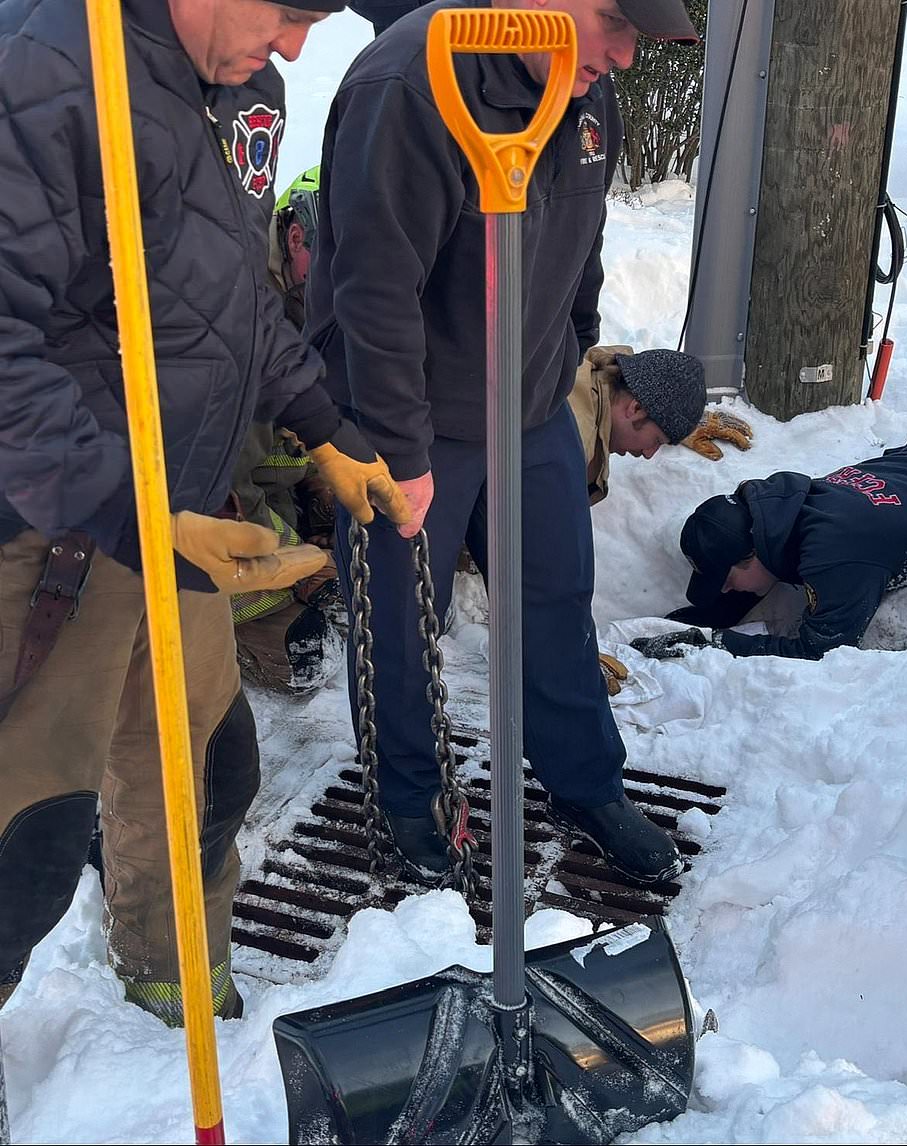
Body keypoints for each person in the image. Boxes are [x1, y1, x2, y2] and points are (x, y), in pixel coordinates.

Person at [0, 0, 408, 1024]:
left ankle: (171, 975)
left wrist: (322, 422)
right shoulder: (48, 77)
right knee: (27, 847)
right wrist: (128, 515)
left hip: (172, 524)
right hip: (53, 533)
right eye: (287, 11)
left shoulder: (238, 87)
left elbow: (229, 299)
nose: (296, 48)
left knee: (211, 775)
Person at [306, 0, 699, 885]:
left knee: (555, 599)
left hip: (526, 406)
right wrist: (401, 454)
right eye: (614, 22)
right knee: (405, 622)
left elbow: (585, 239)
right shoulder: (409, 84)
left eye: (641, 36)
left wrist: (567, 351)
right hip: (408, 416)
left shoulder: (588, 89)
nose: (627, 55)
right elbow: (373, 291)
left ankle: (585, 785)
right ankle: (411, 800)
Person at [645, 427, 907, 660]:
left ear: (753, 554)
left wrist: (716, 645)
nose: (724, 590)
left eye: (725, 580)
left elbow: (820, 651)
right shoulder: (788, 504)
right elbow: (768, 563)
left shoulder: (834, 552)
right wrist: (713, 616)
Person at [231, 165, 342, 694]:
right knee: (304, 657)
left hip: (258, 486)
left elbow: (282, 444)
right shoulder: (240, 308)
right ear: (295, 236)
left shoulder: (303, 290)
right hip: (204, 508)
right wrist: (288, 570)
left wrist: (319, 495)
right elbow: (226, 478)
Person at [569, 343, 751, 507]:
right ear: (636, 408)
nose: (649, 454)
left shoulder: (591, 375)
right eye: (657, 441)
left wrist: (679, 420)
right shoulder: (571, 446)